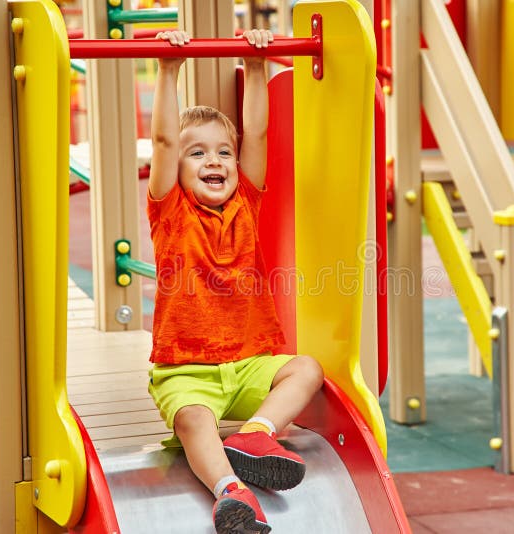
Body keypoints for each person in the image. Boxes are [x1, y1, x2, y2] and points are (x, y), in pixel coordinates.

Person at [146, 28, 325, 534]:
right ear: (174, 167)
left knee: (306, 369)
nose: (214, 162)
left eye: (223, 152)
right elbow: (162, 139)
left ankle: (255, 433)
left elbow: (260, 135)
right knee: (193, 422)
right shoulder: (170, 212)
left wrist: (259, 62)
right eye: (197, 153)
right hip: (187, 369)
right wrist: (167, 68)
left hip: (247, 363)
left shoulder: (246, 199)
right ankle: (231, 492)